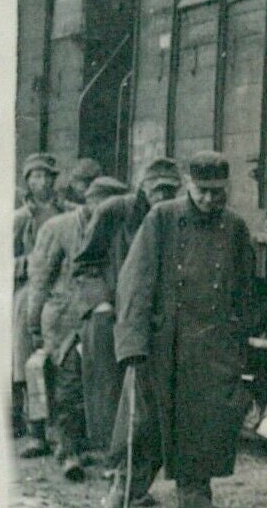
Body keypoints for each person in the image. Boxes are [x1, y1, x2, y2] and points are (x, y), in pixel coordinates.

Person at [107, 152, 256, 508]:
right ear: (189, 184)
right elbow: (135, 282)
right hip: (165, 341)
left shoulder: (234, 228)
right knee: (147, 424)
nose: (209, 200)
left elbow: (244, 288)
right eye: (202, 191)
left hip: (211, 343)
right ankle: (125, 492)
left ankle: (195, 499)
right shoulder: (162, 219)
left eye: (217, 193)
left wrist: (240, 338)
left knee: (204, 421)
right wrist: (132, 344)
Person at [76, 158, 182, 457]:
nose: (163, 195)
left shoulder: (172, 217)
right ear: (143, 186)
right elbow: (85, 263)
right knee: (111, 391)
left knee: (144, 396)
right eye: (157, 188)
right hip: (110, 313)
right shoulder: (114, 211)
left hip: (149, 316)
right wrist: (101, 303)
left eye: (170, 190)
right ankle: (113, 463)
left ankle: (131, 465)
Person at [25, 176, 126, 480]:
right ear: (90, 202)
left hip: (101, 319)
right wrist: (34, 323)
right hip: (64, 316)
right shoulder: (58, 228)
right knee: (66, 383)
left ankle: (88, 446)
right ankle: (68, 451)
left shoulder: (116, 229)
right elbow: (40, 279)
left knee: (97, 384)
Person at [12, 153, 63, 448]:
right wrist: (31, 261)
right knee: (29, 358)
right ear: (28, 181)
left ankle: (59, 428)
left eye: (47, 175)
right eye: (36, 176)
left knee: (59, 358)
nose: (42, 181)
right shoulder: (21, 218)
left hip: (59, 289)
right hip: (30, 289)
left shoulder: (64, 211)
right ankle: (34, 428)